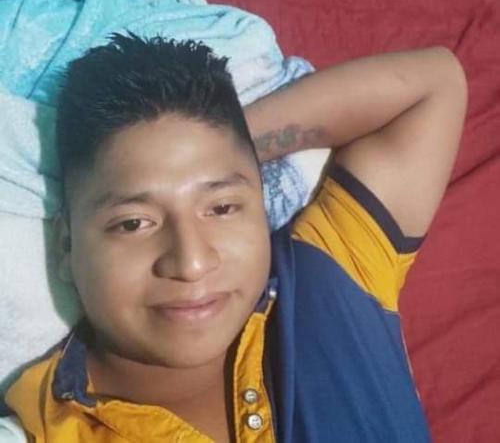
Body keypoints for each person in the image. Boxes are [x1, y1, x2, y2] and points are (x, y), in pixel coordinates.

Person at [1, 33, 466, 442]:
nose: (191, 263)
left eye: (222, 208)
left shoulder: (333, 270)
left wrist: (226, 147)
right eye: (133, 223)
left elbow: (434, 82)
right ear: (66, 245)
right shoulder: (44, 430)